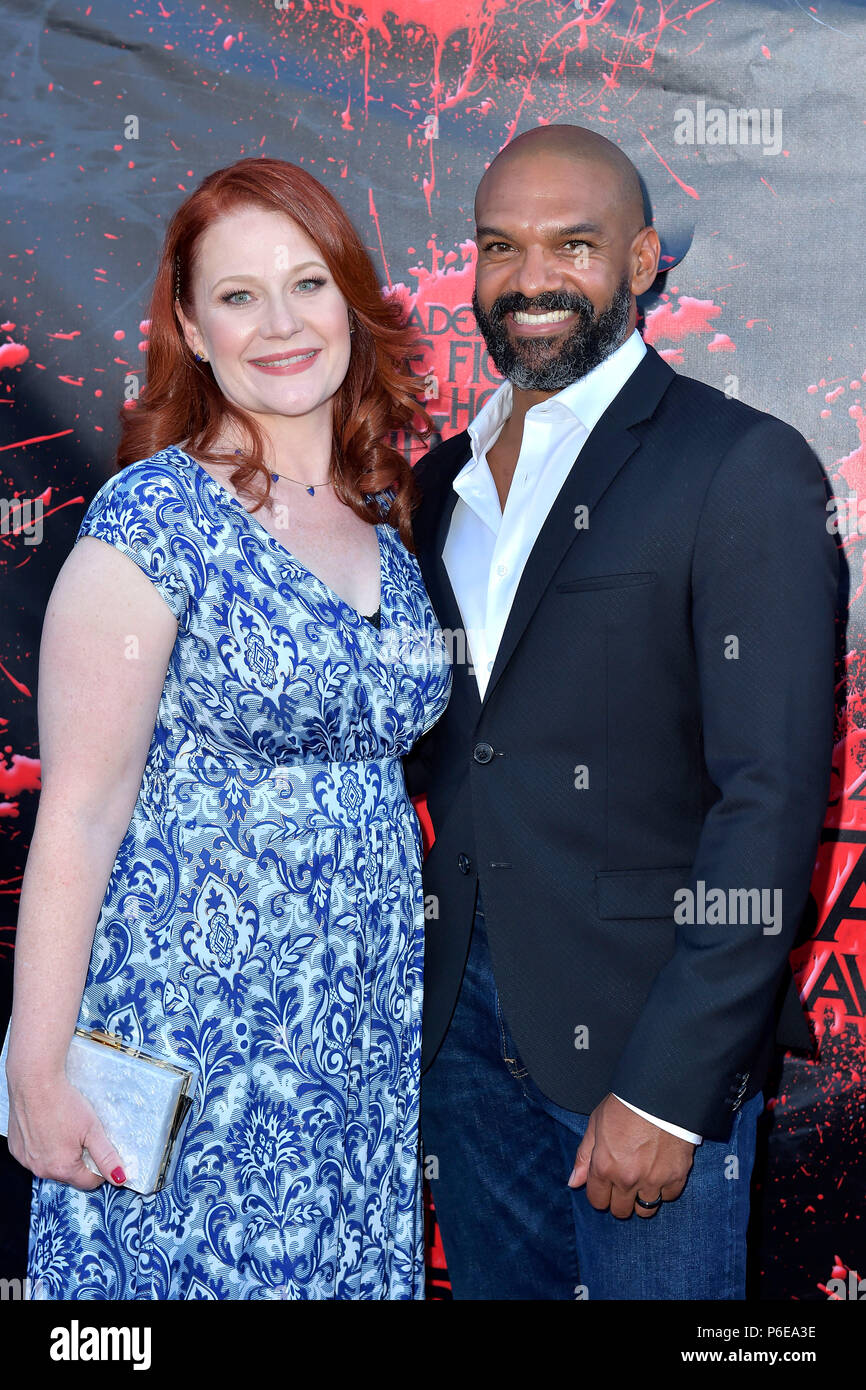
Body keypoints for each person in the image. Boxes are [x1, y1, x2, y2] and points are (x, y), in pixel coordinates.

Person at [5, 156, 451, 1300]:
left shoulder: (382, 521)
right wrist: (35, 1070)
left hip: (352, 1046)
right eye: (238, 295)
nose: (279, 324)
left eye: (305, 284)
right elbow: (81, 813)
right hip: (191, 1036)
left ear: (350, 305)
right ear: (193, 330)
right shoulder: (154, 518)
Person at [406, 124, 839, 1300]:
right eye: (499, 245)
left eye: (572, 243)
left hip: (646, 1043)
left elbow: (769, 796)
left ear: (643, 260)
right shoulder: (435, 480)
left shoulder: (739, 465)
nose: (529, 277)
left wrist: (666, 1087)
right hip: (461, 1040)